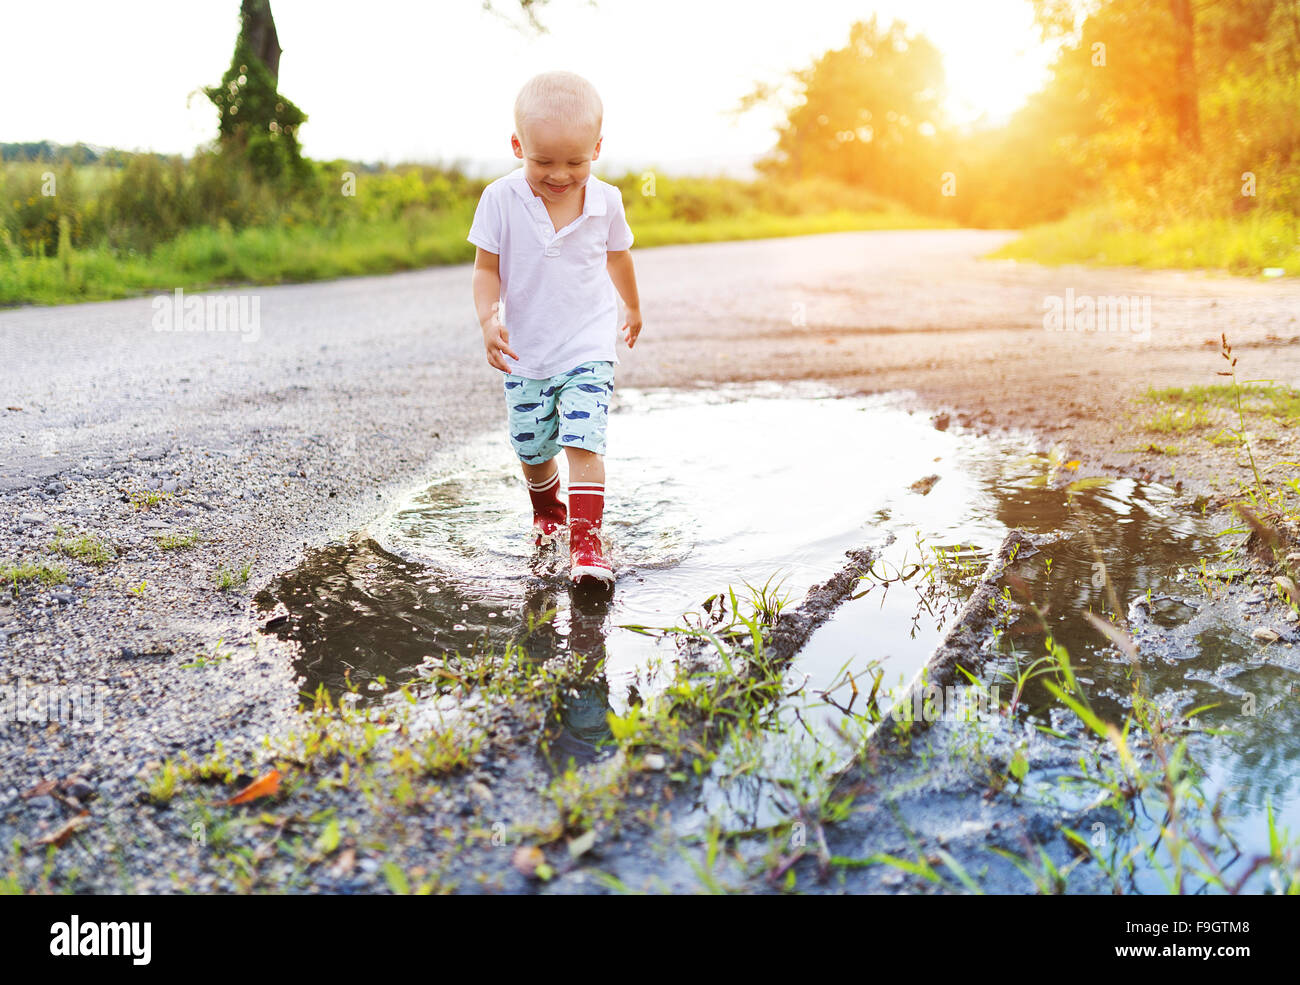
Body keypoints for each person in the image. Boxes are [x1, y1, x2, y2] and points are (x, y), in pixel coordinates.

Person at [468, 71, 642, 585]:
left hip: (587, 344)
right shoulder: (500, 199)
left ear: (598, 147)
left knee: (584, 437)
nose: (560, 174)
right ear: (518, 145)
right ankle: (548, 513)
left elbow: (619, 257)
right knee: (532, 444)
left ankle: (587, 545)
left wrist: (632, 306)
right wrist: (487, 318)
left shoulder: (606, 200)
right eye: (543, 161)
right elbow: (485, 268)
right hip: (527, 352)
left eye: (576, 161)